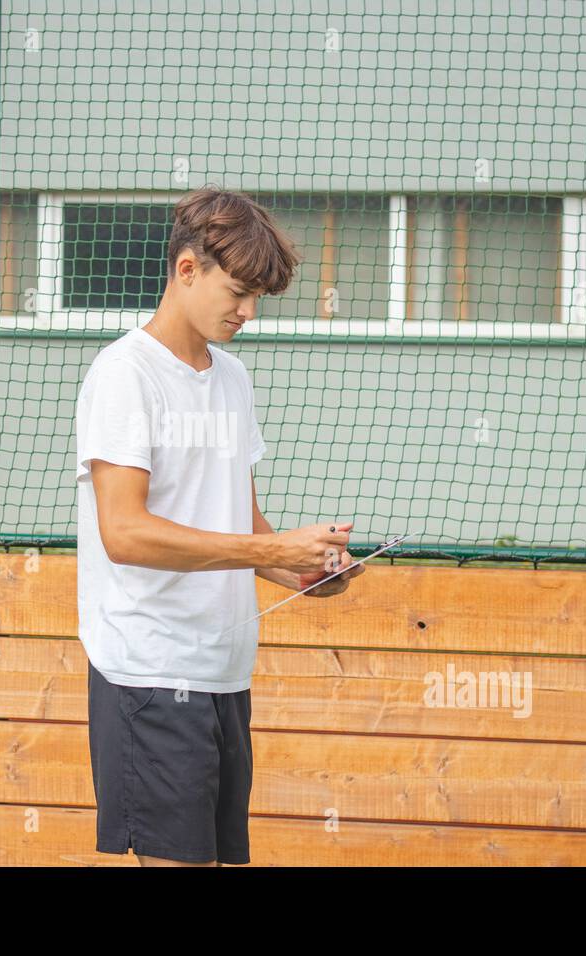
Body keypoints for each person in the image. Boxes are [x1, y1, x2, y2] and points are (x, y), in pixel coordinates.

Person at [74, 185, 366, 867]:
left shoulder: (232, 378)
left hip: (224, 674)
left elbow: (242, 521)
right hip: (147, 669)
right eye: (238, 291)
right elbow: (126, 534)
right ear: (186, 270)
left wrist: (304, 567)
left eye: (258, 297)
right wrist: (270, 546)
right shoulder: (124, 374)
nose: (249, 311)